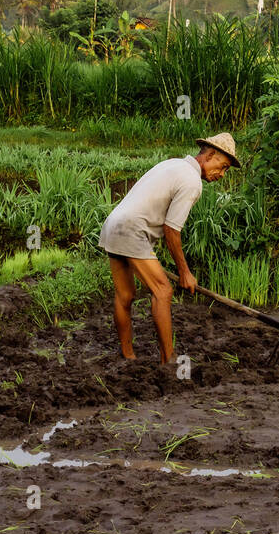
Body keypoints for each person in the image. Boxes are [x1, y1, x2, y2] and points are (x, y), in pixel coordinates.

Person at [98, 133, 240, 362]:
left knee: (125, 295)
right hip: (133, 230)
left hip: (114, 226)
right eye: (222, 167)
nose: (221, 175)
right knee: (163, 291)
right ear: (210, 154)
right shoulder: (192, 181)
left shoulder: (172, 164)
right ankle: (169, 359)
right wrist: (185, 272)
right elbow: (172, 230)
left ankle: (128, 356)